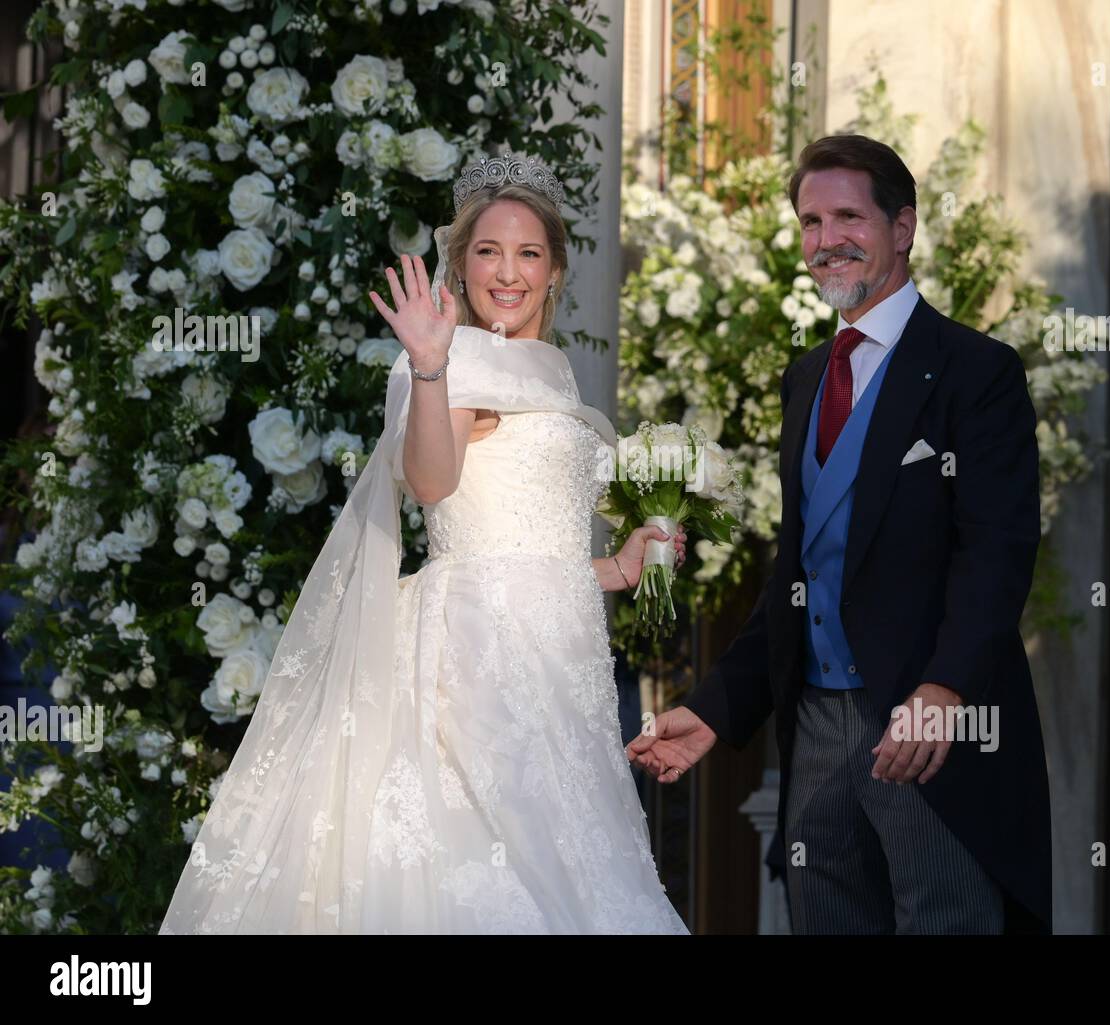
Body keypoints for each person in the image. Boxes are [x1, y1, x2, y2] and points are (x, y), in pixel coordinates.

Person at [160, 151, 689, 935]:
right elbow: (434, 484)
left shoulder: (555, 371)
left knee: (578, 874)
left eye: (528, 253)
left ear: (554, 272)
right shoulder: (443, 356)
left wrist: (619, 563)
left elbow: (524, 537)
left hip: (565, 662)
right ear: (460, 262)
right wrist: (435, 368)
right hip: (476, 660)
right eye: (488, 250)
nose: (507, 271)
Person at [628, 134, 1052, 935]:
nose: (828, 241)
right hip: (815, 731)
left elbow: (996, 552)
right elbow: (800, 575)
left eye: (848, 216)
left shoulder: (977, 371)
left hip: (925, 726)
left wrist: (943, 691)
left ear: (904, 226)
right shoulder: (806, 376)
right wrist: (717, 709)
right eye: (811, 222)